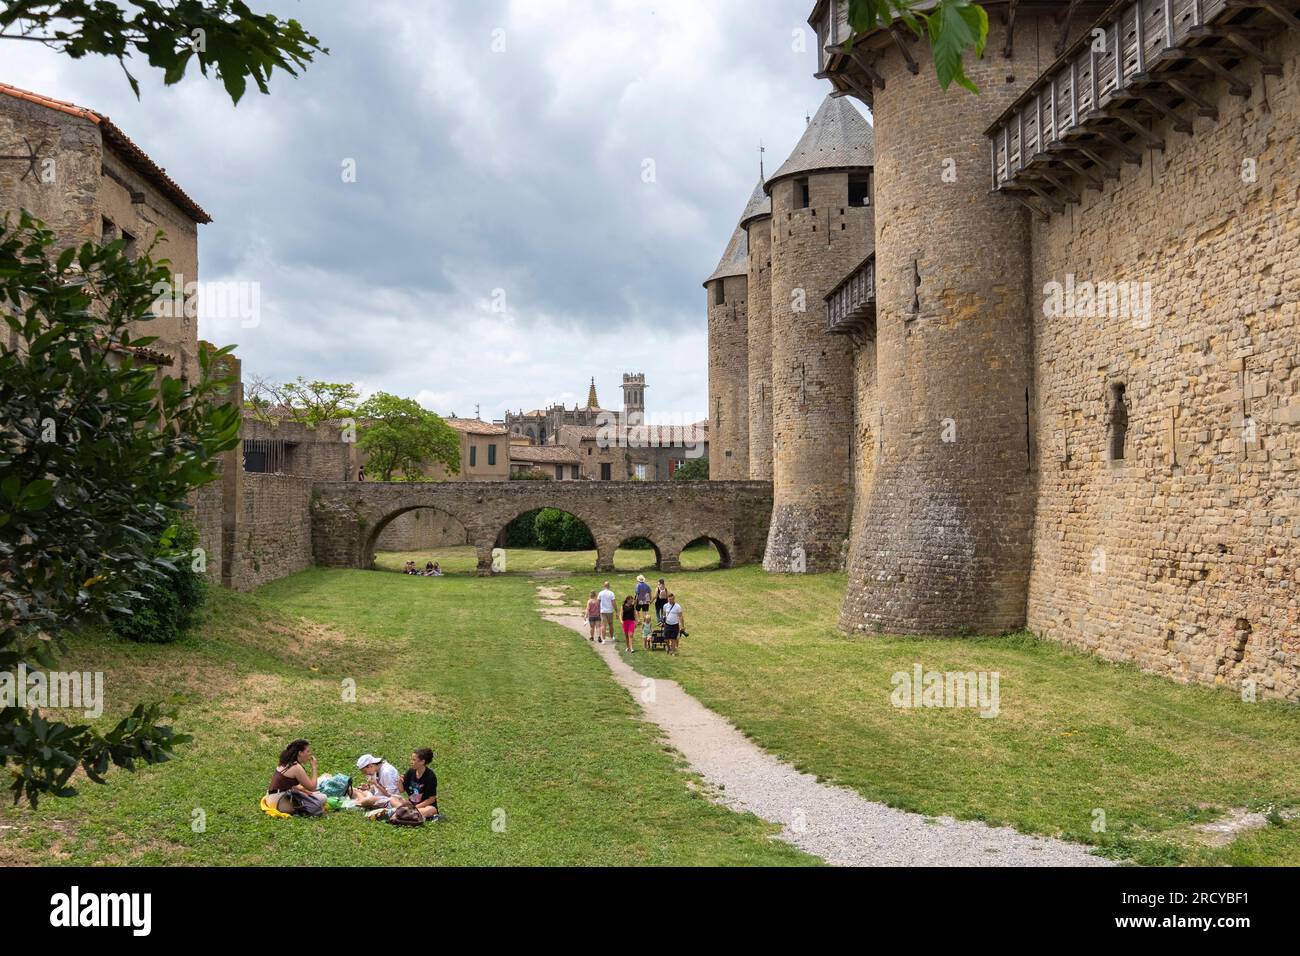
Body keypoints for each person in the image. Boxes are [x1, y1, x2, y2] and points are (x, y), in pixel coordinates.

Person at [267, 739, 327, 815]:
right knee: (323, 797)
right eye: (307, 751)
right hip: (279, 802)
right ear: (300, 753)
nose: (310, 754)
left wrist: (305, 791)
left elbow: (290, 785)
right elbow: (312, 787)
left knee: (311, 795)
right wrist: (314, 767)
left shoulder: (285, 762)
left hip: (271, 798)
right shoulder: (296, 767)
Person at [392, 747, 439, 820]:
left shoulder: (430, 776)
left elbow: (431, 799)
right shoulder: (410, 772)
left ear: (422, 762)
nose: (411, 762)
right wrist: (399, 782)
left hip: (425, 806)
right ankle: (406, 814)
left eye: (414, 760)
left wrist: (416, 807)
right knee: (393, 798)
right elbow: (401, 790)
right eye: (411, 759)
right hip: (411, 805)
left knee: (429, 810)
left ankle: (401, 813)